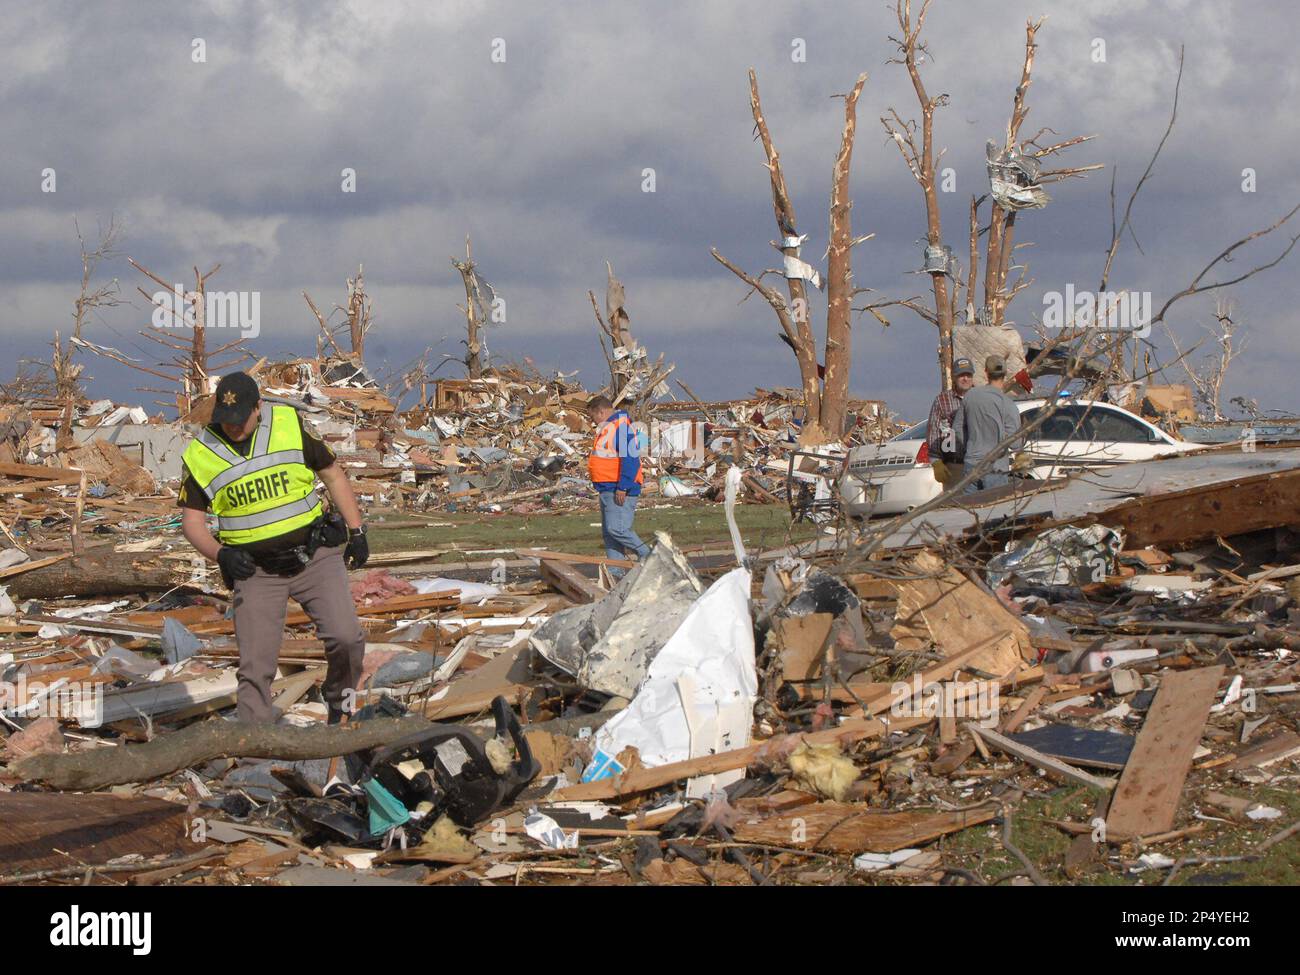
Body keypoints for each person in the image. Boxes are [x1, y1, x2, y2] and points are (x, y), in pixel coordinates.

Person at [178, 372, 370, 724]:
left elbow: (331, 473)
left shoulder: (289, 425)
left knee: (347, 638)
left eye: (241, 420)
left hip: (315, 555)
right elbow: (191, 523)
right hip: (255, 570)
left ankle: (339, 708)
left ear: (259, 408)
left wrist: (356, 530)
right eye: (226, 419)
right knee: (255, 667)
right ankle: (255, 753)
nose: (233, 427)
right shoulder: (201, 453)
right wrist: (221, 554)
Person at [587, 395, 650, 574]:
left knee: (618, 529)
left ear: (602, 411)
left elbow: (630, 459)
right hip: (607, 488)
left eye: (594, 417)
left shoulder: (621, 428)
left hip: (618, 489)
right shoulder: (610, 428)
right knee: (610, 534)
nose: (593, 421)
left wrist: (623, 486)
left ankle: (649, 555)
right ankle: (615, 573)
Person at [952, 355, 1023, 494]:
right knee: (993, 511)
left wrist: (970, 445)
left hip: (971, 465)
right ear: (1005, 374)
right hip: (996, 468)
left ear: (986, 372)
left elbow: (957, 428)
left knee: (970, 510)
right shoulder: (1008, 404)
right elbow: (1016, 443)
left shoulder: (970, 395)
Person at [927, 357, 976, 489]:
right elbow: (934, 431)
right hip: (955, 466)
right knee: (956, 507)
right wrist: (936, 462)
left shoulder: (981, 397)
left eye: (968, 375)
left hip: (980, 464)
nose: (965, 379)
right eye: (961, 375)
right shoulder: (942, 400)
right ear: (954, 377)